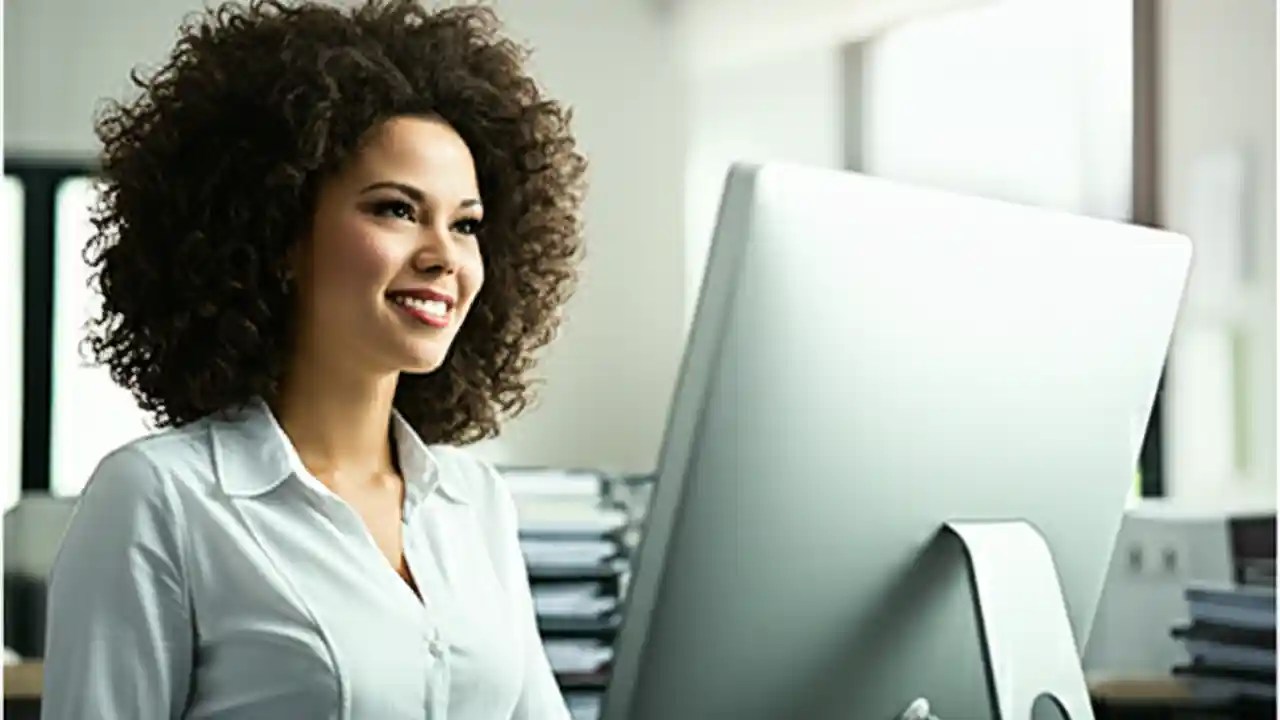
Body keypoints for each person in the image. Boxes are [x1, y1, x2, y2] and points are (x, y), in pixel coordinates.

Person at [41, 0, 586, 717]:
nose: (443, 256)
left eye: (466, 224)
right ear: (281, 232)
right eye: (395, 209)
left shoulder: (474, 502)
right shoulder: (160, 499)